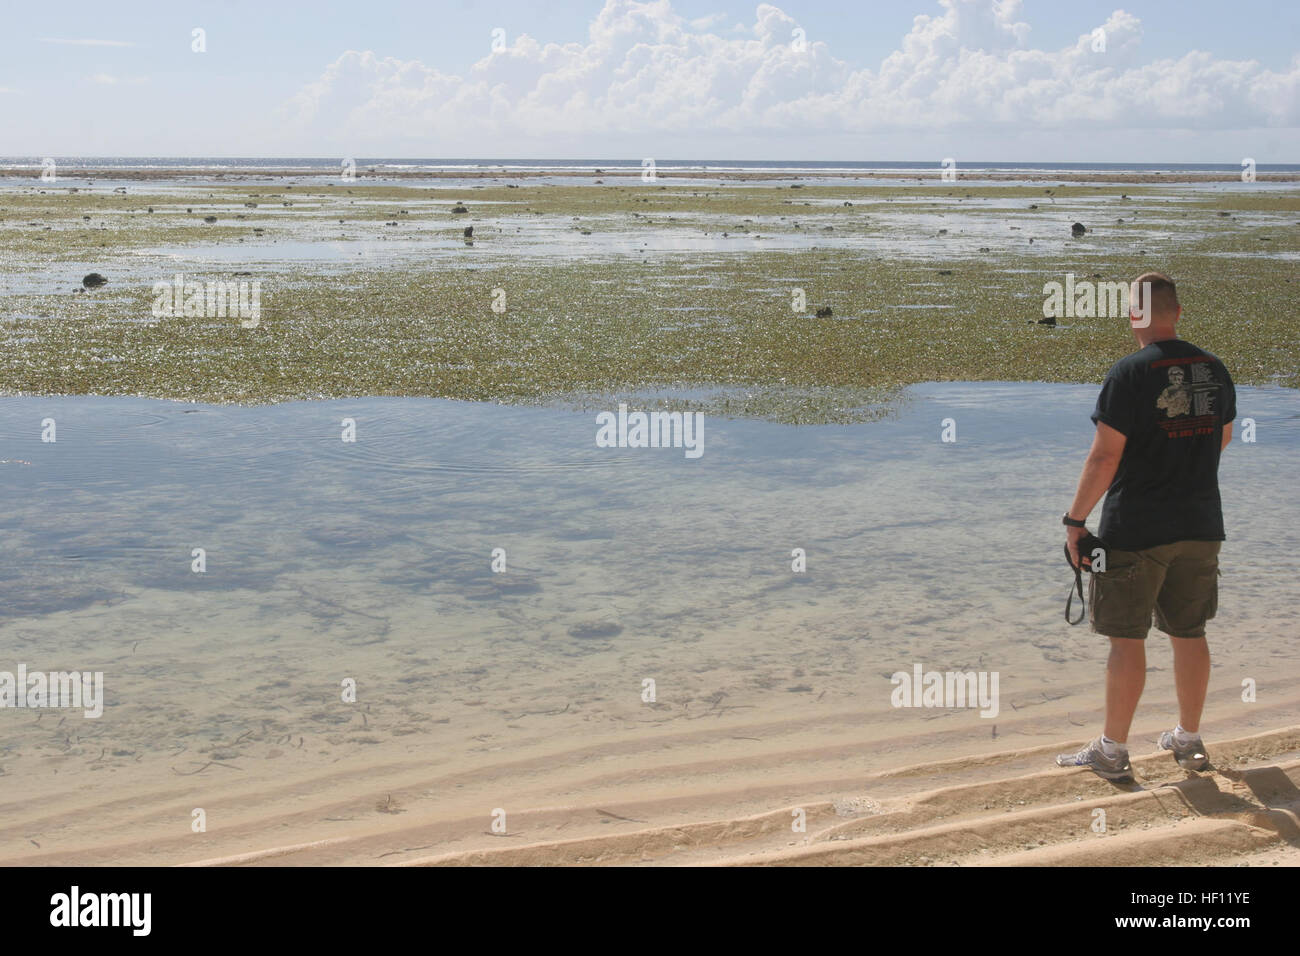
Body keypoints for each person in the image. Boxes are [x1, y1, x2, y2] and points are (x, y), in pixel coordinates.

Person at [1056, 272, 1235, 782]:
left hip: (1135, 527)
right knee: (1189, 631)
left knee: (1126, 639)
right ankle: (1190, 739)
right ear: (1177, 312)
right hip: (1202, 522)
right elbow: (1221, 438)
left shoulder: (1129, 373)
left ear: (1133, 315)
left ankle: (1112, 751)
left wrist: (1075, 521)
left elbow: (1104, 457)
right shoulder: (1215, 368)